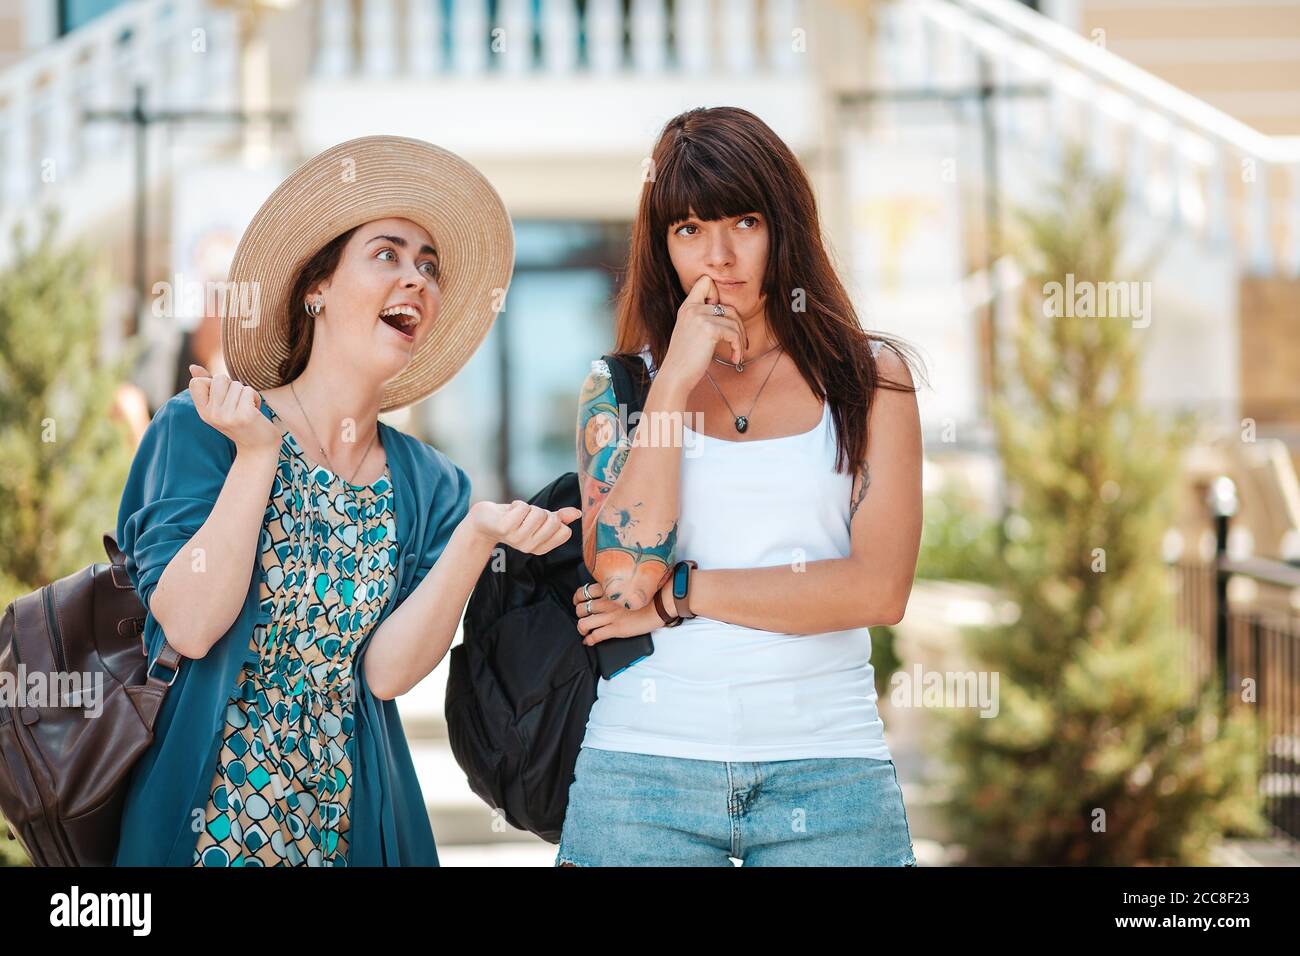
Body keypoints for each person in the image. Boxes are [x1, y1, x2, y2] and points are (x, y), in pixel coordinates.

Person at [113, 135, 579, 866]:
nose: (417, 280)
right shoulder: (206, 429)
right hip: (206, 825)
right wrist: (258, 453)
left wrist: (477, 535)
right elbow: (190, 626)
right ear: (316, 287)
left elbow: (385, 674)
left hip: (348, 823)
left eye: (429, 266)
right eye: (388, 254)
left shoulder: (435, 485)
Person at [561, 107, 926, 866]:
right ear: (663, 247)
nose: (718, 256)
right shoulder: (621, 389)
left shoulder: (869, 380)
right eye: (688, 230)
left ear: (783, 226)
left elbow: (877, 590)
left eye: (743, 221)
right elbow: (624, 581)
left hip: (831, 772)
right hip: (643, 773)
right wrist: (672, 389)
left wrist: (684, 596)